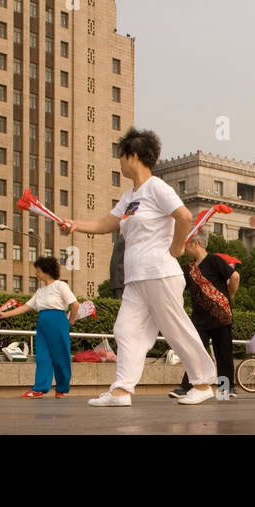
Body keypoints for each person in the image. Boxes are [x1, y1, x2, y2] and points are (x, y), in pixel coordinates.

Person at [63, 127, 217, 406]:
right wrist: (74, 225)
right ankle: (122, 390)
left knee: (175, 328)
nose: (119, 162)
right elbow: (106, 223)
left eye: (120, 156)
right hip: (136, 278)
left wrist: (177, 247)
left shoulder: (156, 187)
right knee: (125, 330)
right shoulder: (131, 195)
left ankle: (203, 382)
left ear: (133, 156)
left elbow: (183, 216)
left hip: (159, 272)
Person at [0, 255, 79, 397]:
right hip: (43, 323)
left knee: (60, 356)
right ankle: (39, 388)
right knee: (42, 356)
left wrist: (71, 321)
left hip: (58, 321)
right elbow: (26, 307)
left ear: (47, 271)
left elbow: (74, 304)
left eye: (38, 271)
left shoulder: (60, 286)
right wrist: (4, 314)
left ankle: (61, 388)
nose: (37, 274)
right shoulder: (40, 291)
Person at [172, 227, 239, 399]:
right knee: (194, 352)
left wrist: (229, 295)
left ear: (196, 243)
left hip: (221, 316)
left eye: (187, 245)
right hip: (199, 319)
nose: (186, 250)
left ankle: (226, 388)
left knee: (223, 353)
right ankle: (186, 387)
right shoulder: (189, 269)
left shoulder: (214, 260)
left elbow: (235, 276)